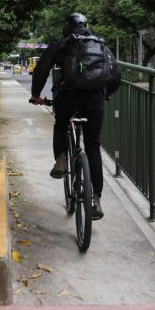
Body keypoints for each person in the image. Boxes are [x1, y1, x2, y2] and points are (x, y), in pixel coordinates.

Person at [29, 12, 121, 220]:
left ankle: (61, 161)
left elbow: (42, 70)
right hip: (94, 99)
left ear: (67, 28)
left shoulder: (62, 43)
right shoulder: (100, 44)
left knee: (61, 123)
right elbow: (115, 74)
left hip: (68, 96)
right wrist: (105, 94)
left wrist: (36, 95)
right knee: (93, 146)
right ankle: (96, 199)